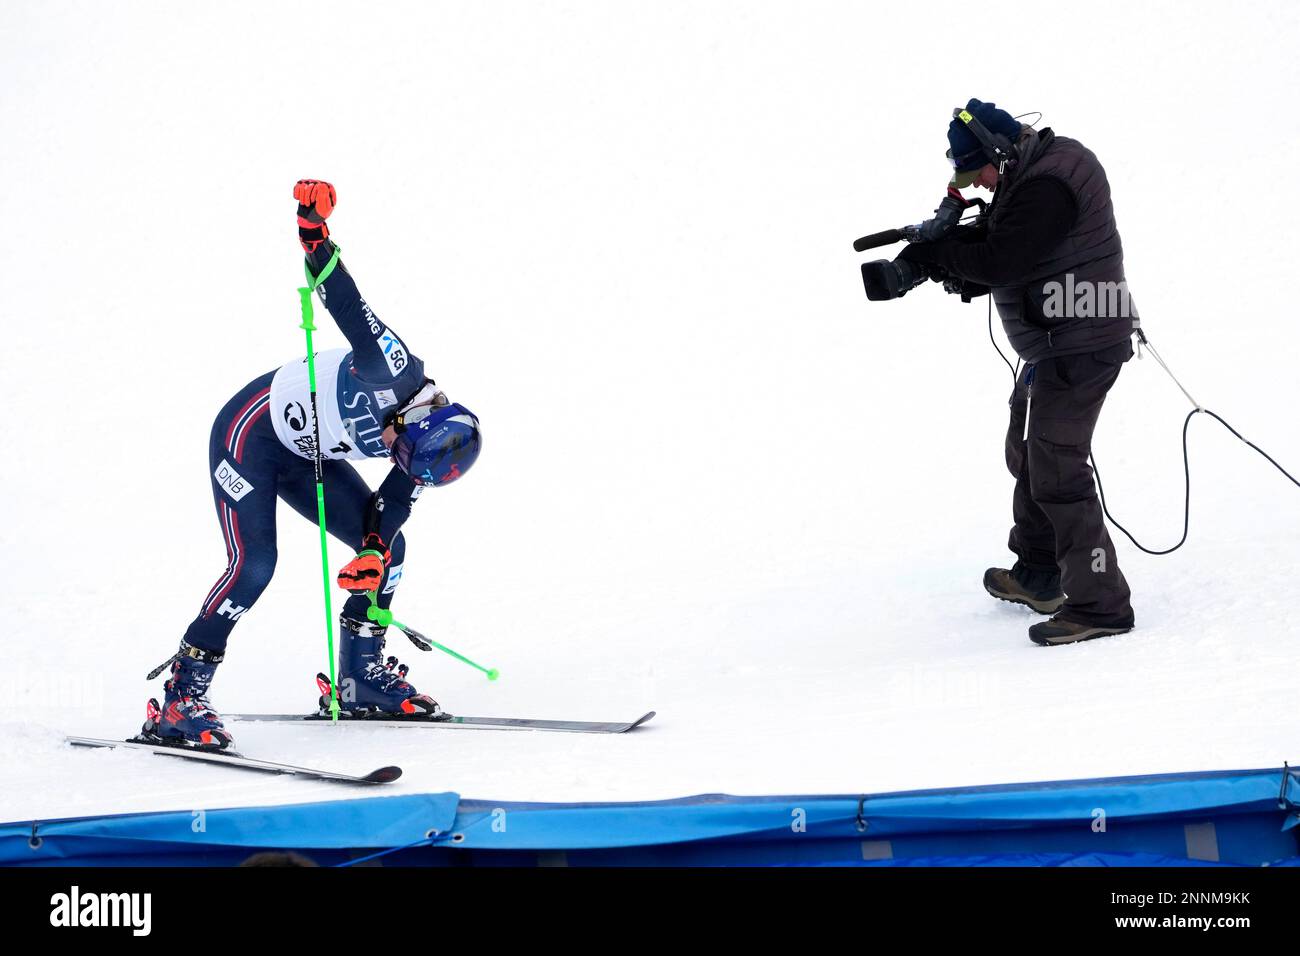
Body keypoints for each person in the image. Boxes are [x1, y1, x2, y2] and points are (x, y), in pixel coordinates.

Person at [143, 180, 483, 750]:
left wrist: (373, 551)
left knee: (390, 551)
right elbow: (350, 306)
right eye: (396, 450)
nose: (393, 460)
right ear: (418, 417)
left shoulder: (420, 449)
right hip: (248, 438)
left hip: (308, 459)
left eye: (403, 460)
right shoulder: (390, 370)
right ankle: (180, 699)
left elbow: (393, 502)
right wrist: (314, 234)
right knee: (254, 566)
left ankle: (359, 682)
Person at [897, 99, 1137, 646]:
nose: (978, 184)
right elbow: (1013, 253)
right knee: (1028, 451)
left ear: (1000, 150)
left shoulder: (1048, 185)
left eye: (977, 170)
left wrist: (943, 255)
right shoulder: (1030, 176)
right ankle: (1040, 573)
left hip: (1081, 345)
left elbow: (1006, 258)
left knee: (1056, 467)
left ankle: (1101, 605)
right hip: (1058, 341)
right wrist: (943, 259)